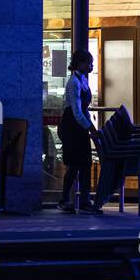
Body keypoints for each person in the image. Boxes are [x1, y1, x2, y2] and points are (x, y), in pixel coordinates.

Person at [57, 49, 102, 214]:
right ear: (80, 63)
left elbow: (82, 110)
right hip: (72, 127)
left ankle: (84, 200)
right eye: (88, 62)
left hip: (78, 125)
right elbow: (76, 111)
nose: (91, 66)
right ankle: (65, 199)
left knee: (85, 163)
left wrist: (88, 125)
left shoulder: (82, 79)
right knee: (75, 164)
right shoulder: (74, 83)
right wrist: (90, 127)